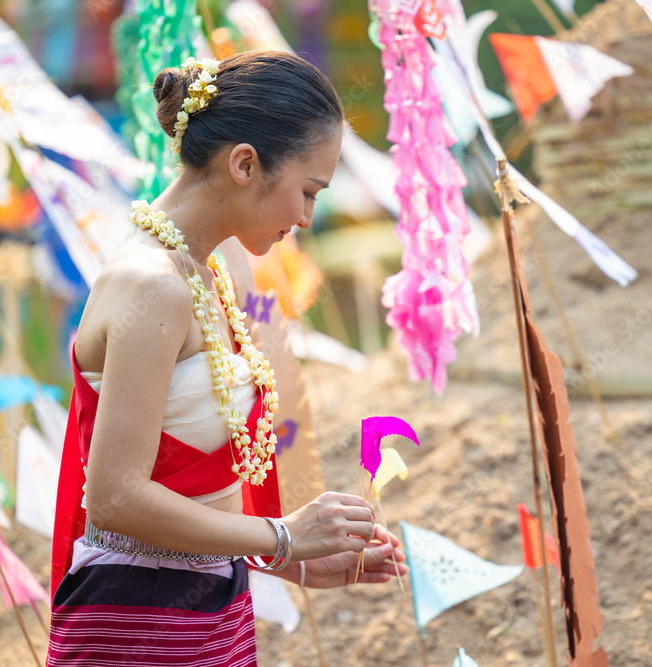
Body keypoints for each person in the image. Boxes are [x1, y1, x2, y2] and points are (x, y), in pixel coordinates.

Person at [46, 51, 406, 666]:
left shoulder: (209, 267)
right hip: (139, 622)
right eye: (308, 192)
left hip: (213, 608)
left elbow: (195, 486)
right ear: (244, 164)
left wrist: (290, 560)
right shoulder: (151, 285)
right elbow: (115, 498)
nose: (307, 217)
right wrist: (285, 536)